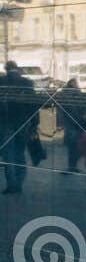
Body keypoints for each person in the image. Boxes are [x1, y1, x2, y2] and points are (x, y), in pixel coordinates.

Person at [0, 61, 40, 194]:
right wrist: (35, 123)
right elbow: (33, 105)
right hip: (24, 123)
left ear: (6, 69)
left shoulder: (2, 81)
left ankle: (12, 184)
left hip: (6, 123)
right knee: (19, 153)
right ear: (17, 68)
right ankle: (19, 182)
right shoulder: (27, 83)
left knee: (8, 154)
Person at [56, 78, 86, 173]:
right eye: (76, 83)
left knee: (73, 146)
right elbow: (83, 107)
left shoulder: (66, 94)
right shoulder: (75, 94)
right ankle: (72, 165)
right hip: (76, 123)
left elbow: (61, 111)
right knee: (75, 145)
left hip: (71, 124)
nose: (77, 85)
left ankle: (72, 165)